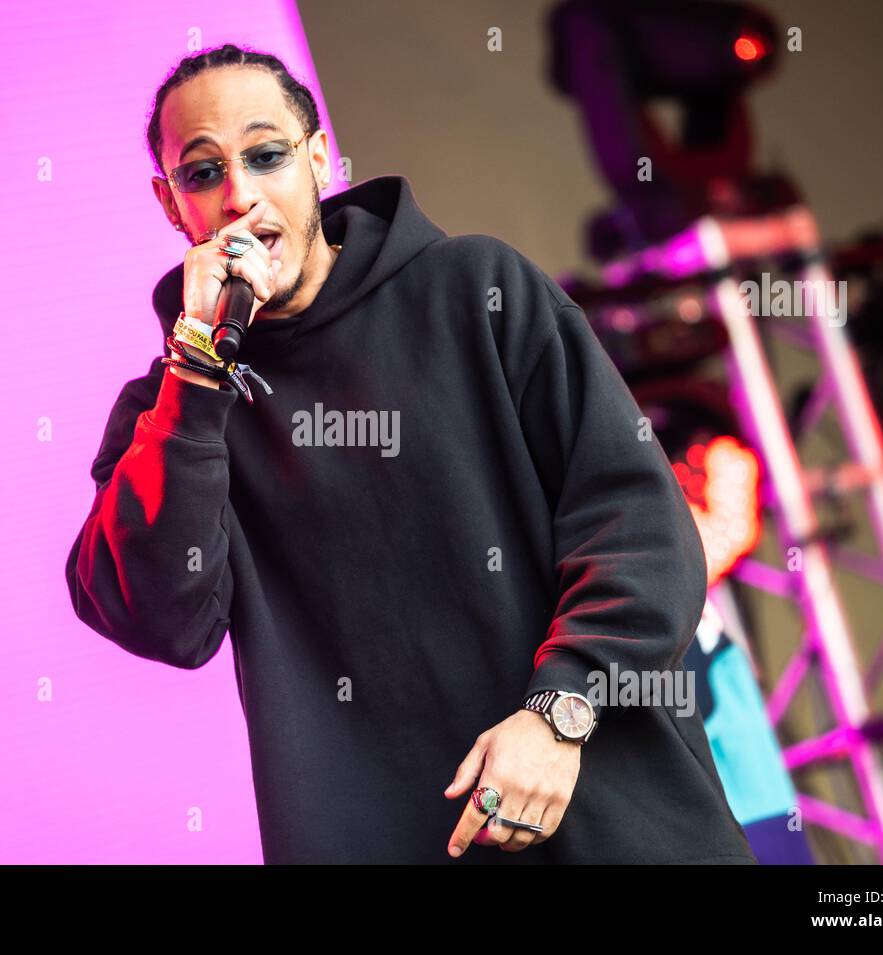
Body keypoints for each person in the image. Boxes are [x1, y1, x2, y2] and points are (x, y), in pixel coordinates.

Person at [65, 43, 757, 864]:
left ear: (319, 158)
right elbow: (161, 618)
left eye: (266, 155)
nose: (239, 195)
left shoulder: (476, 290)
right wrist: (198, 372)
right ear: (170, 203)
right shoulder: (171, 408)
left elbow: (641, 528)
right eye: (203, 173)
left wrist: (560, 708)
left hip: (617, 819)